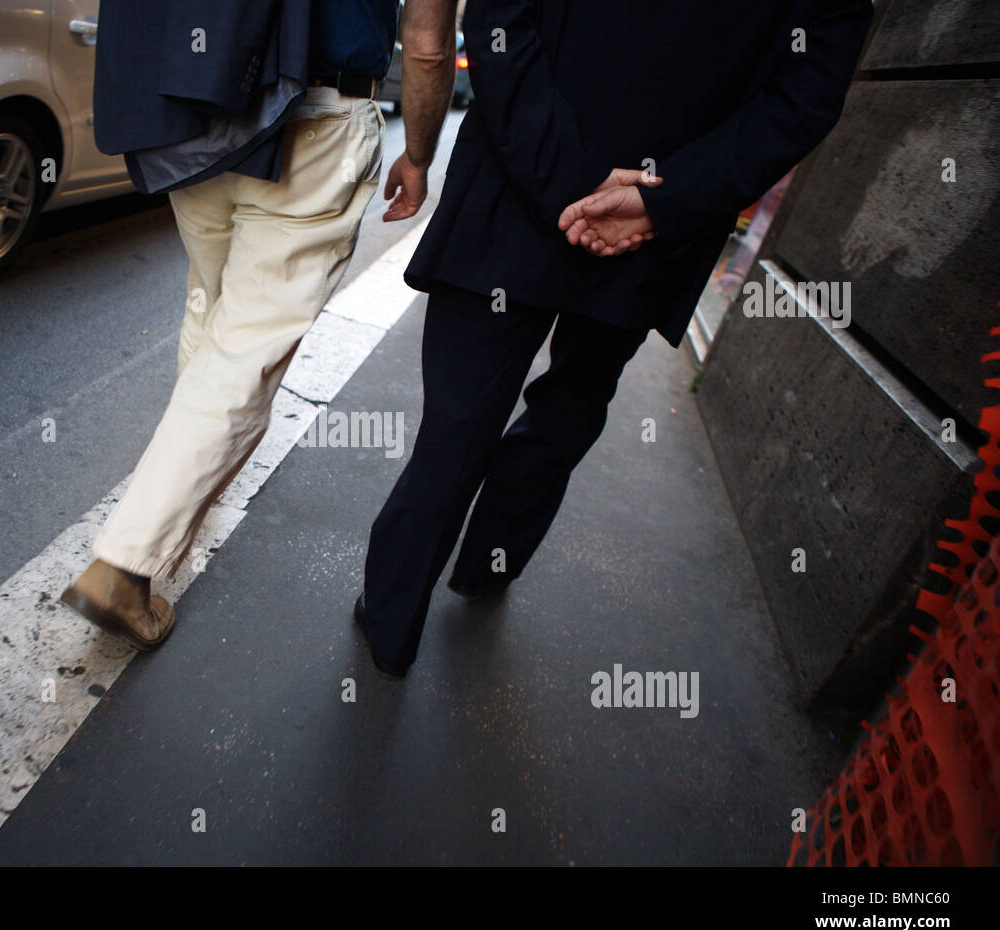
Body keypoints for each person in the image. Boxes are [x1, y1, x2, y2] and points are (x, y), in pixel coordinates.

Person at [355, 0, 874, 678]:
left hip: (515, 190)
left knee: (458, 423)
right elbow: (803, 98)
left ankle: (393, 619)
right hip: (654, 233)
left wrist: (575, 181)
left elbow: (498, 23)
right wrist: (659, 202)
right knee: (569, 409)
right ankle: (489, 561)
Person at [63, 0, 460, 650]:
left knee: (214, 309)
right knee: (247, 345)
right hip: (321, 119)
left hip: (203, 100)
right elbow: (427, 46)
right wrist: (417, 155)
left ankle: (179, 491)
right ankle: (126, 566)